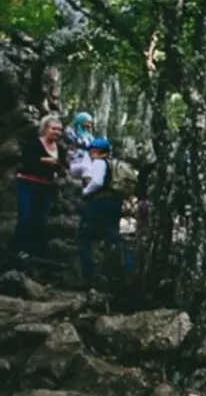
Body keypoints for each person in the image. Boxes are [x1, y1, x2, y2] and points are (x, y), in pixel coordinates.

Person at [11, 115, 68, 260]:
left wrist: (57, 166)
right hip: (27, 183)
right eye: (53, 129)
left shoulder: (60, 149)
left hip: (46, 185)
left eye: (59, 130)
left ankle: (35, 251)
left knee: (41, 219)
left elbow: (63, 167)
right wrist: (44, 160)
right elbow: (26, 162)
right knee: (26, 216)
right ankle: (19, 250)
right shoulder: (34, 144)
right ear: (45, 129)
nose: (57, 132)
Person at [77, 138, 124, 284]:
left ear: (96, 151)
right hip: (115, 203)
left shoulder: (99, 162)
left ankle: (89, 274)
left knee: (83, 236)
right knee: (111, 235)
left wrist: (84, 192)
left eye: (91, 151)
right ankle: (115, 272)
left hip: (100, 202)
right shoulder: (114, 163)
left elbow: (97, 182)